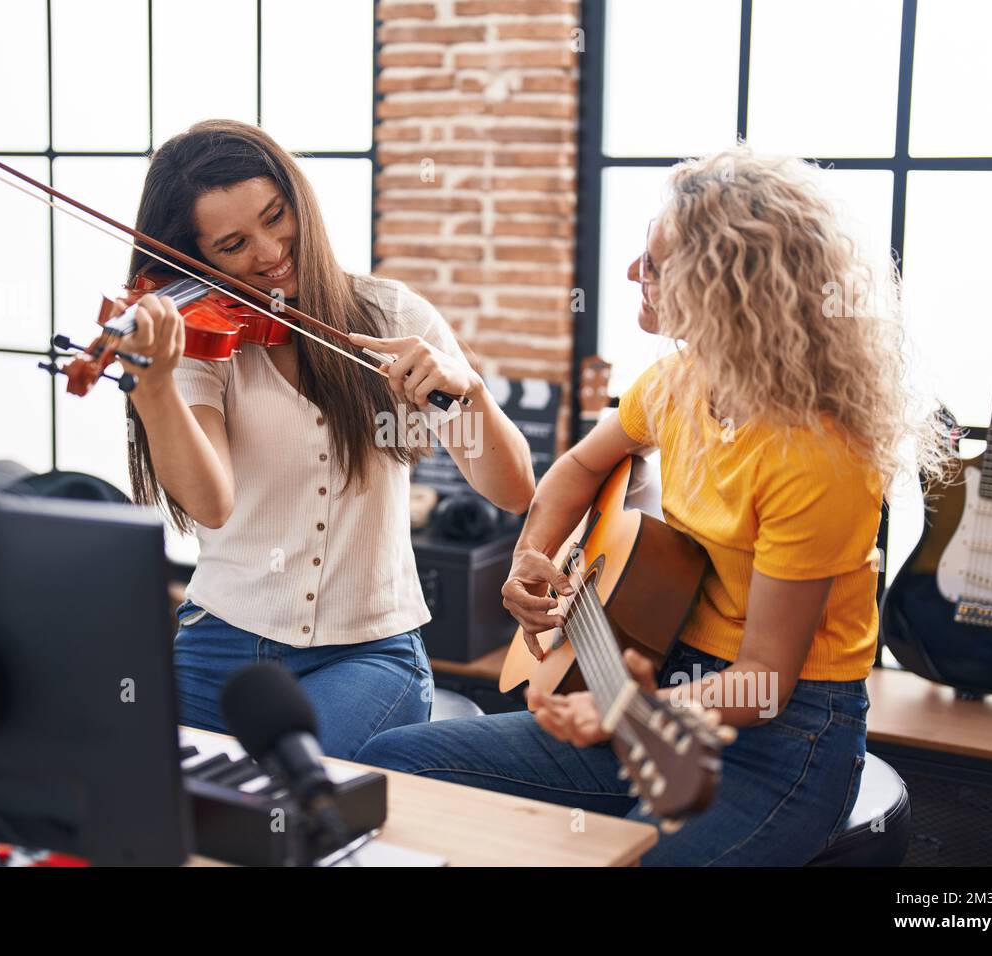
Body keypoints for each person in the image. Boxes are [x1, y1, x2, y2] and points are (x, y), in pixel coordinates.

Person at [355, 146, 949, 863]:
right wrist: (530, 559)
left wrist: (623, 708)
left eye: (657, 265)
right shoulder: (678, 381)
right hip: (665, 677)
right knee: (391, 762)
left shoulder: (818, 454)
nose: (633, 273)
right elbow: (578, 466)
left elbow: (764, 683)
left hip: (783, 740)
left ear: (728, 289)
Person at [113, 120, 535, 758]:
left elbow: (511, 489)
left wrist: (468, 391)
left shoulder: (395, 315)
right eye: (232, 245)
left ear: (297, 198)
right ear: (197, 261)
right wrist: (154, 387)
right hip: (217, 644)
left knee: (287, 807)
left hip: (368, 652)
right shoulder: (198, 339)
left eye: (276, 216)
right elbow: (210, 499)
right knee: (146, 799)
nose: (269, 251)